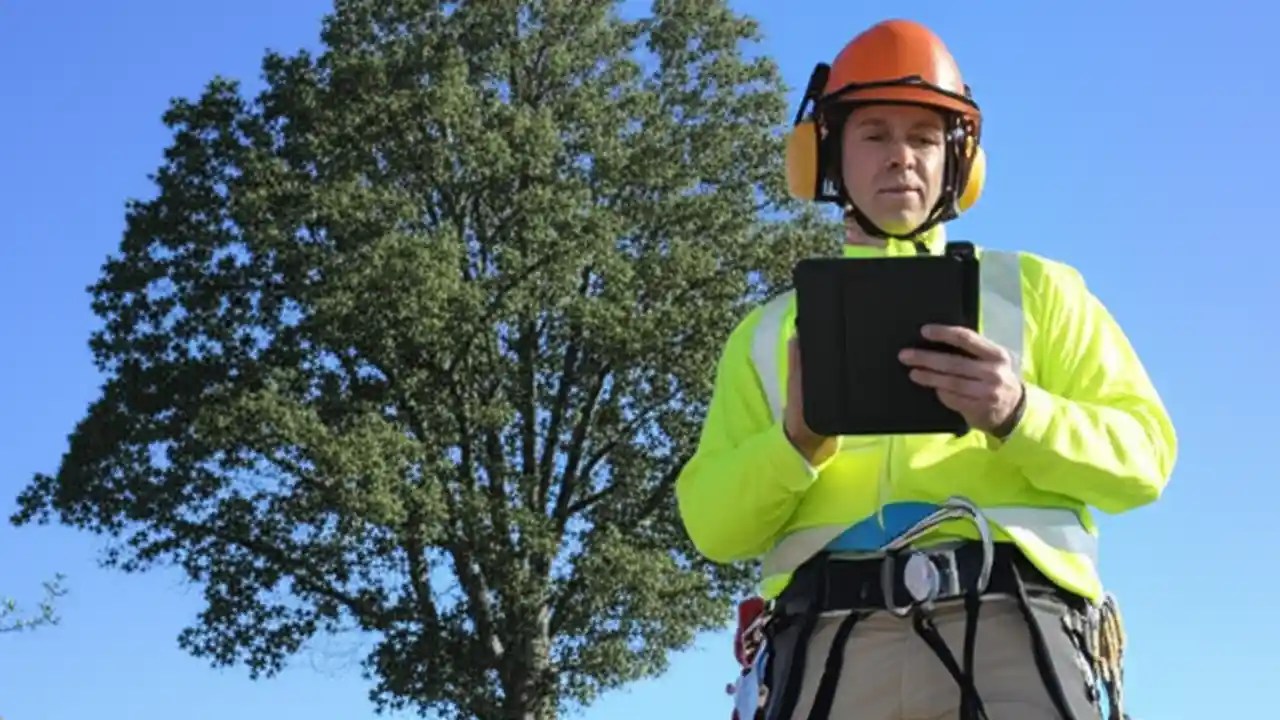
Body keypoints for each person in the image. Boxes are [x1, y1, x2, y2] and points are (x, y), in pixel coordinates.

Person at [676, 18, 1177, 720]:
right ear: (824, 154)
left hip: (1015, 627)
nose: (901, 157)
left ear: (959, 161)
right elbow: (711, 525)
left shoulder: (1042, 293)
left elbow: (1146, 461)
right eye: (874, 134)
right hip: (827, 641)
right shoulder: (766, 334)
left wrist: (1020, 413)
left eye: (924, 137)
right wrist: (795, 446)